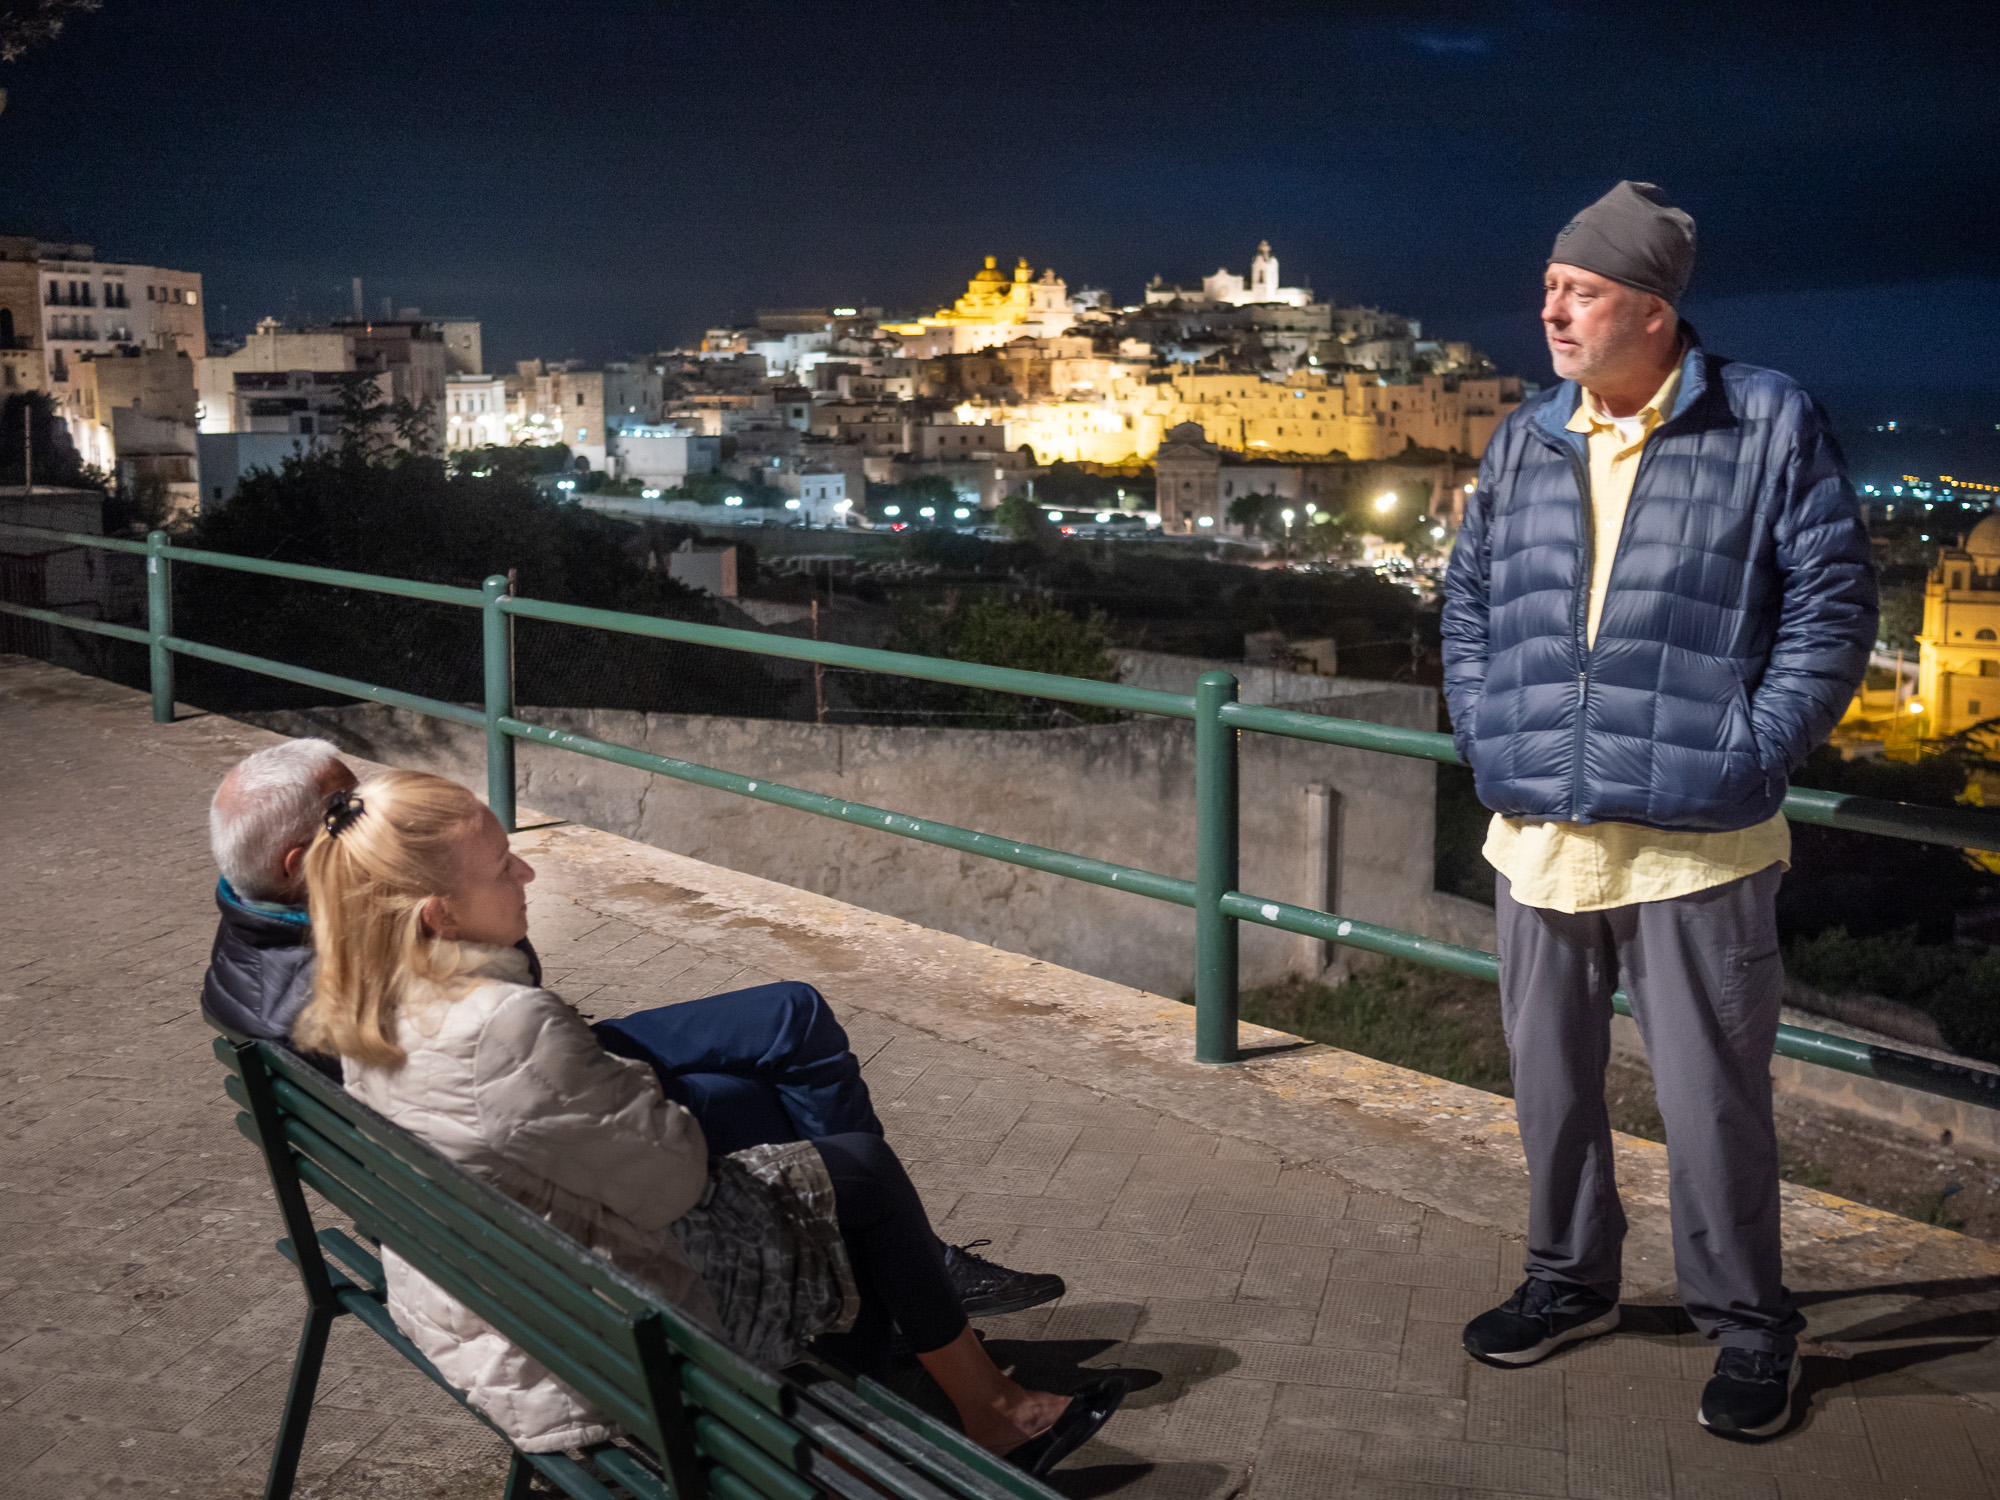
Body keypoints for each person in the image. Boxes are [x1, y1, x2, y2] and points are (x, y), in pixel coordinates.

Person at [293, 769, 1122, 1474]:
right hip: (604, 1346)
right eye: (502, 866)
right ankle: (985, 1410)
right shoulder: (506, 1025)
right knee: (859, 1169)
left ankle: (926, 1363)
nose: (527, 876)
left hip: (502, 1306)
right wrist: (621, 1076)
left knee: (810, 1145)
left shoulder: (370, 1002)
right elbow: (678, 1174)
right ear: (437, 913)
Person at [1440, 181, 1876, 1441]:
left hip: (1696, 843)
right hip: (1540, 837)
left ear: (1649, 305)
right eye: (1547, 288)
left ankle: (1746, 1327)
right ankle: (1565, 1280)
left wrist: (1750, 747)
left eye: (1574, 289)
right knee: (1550, 1094)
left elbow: (1831, 608)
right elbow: (1466, 605)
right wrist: (1486, 728)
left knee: (1711, 1107)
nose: (1549, 310)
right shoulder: (1523, 436)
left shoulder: (1767, 420)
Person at [200, 738, 1063, 1320]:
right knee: (756, 1101)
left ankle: (904, 1264)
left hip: (528, 1076)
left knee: (791, 1012)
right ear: (293, 863)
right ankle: (900, 1274)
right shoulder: (326, 981)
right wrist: (473, 908)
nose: (373, 811)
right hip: (533, 1113)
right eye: (347, 807)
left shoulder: (258, 938)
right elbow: (500, 1053)